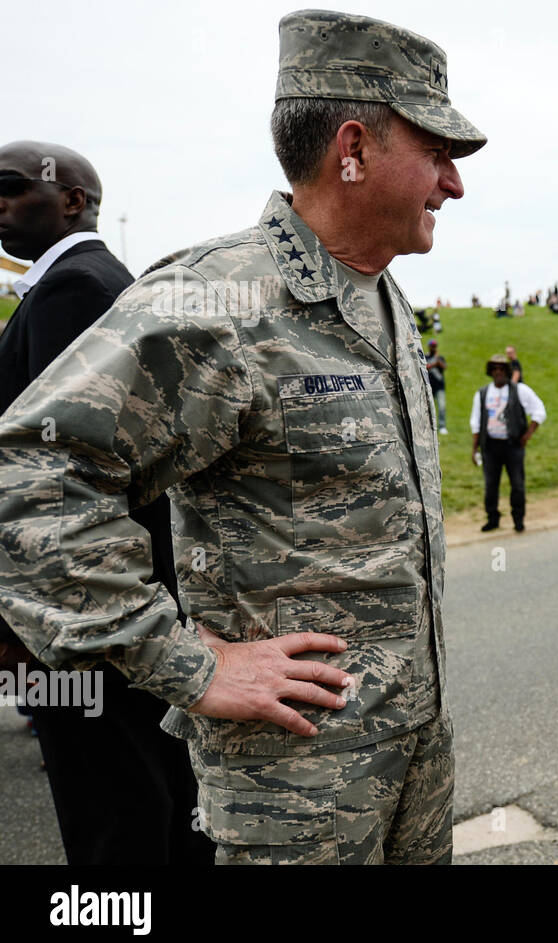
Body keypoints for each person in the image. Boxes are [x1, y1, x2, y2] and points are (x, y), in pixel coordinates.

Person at [0, 10, 487, 865]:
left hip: (417, 765)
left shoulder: (382, 296)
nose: (454, 184)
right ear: (354, 148)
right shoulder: (219, 301)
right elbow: (28, 479)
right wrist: (188, 663)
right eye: (438, 152)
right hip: (294, 798)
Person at [0, 141, 213, 865]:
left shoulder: (76, 290)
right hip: (111, 599)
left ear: (71, 199)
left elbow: (65, 475)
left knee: (109, 805)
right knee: (145, 787)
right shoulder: (91, 281)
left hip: (80, 611)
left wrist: (31, 619)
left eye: (10, 184)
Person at [470, 354, 546, 532]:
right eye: (495, 368)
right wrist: (474, 449)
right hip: (490, 446)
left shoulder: (520, 390)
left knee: (517, 484)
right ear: (490, 371)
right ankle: (493, 518)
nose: (498, 372)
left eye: (502, 368)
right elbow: (475, 422)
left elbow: (539, 411)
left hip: (513, 446)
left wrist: (527, 435)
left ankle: (518, 519)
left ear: (507, 371)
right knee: (491, 485)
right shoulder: (482, 393)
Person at [425, 339, 449, 434]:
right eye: (432, 346)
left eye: (435, 346)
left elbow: (444, 367)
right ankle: (429, 425)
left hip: (439, 386)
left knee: (442, 406)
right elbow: (426, 367)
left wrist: (437, 359)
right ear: (429, 346)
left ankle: (442, 426)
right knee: (428, 407)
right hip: (429, 386)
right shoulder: (425, 357)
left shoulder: (440, 358)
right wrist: (435, 362)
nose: (433, 348)